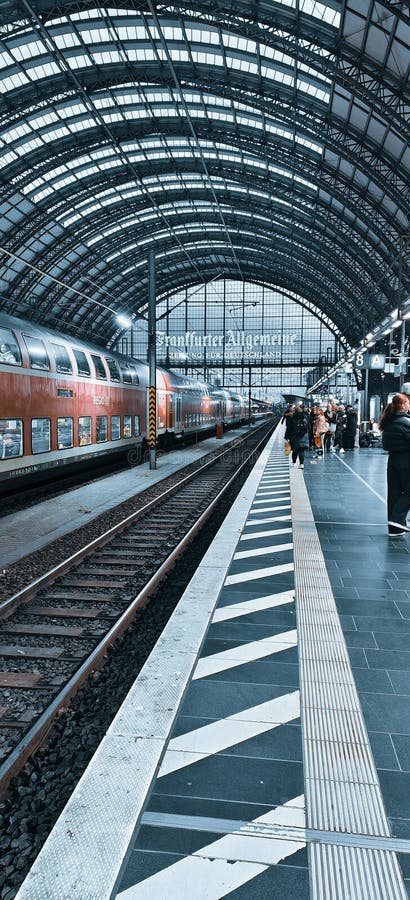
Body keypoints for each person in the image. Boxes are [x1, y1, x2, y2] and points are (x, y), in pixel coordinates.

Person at [379, 393, 410, 536]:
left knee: (394, 493)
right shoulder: (406, 422)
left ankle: (394, 529)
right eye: (408, 403)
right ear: (403, 405)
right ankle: (397, 519)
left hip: (392, 460)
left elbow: (385, 444)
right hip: (406, 460)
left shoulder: (388, 421)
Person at [285, 401, 309, 468]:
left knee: (295, 450)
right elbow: (309, 426)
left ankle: (293, 463)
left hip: (294, 435)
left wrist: (287, 436)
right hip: (303, 435)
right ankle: (301, 464)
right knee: (301, 450)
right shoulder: (305, 416)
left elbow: (289, 427)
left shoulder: (293, 417)